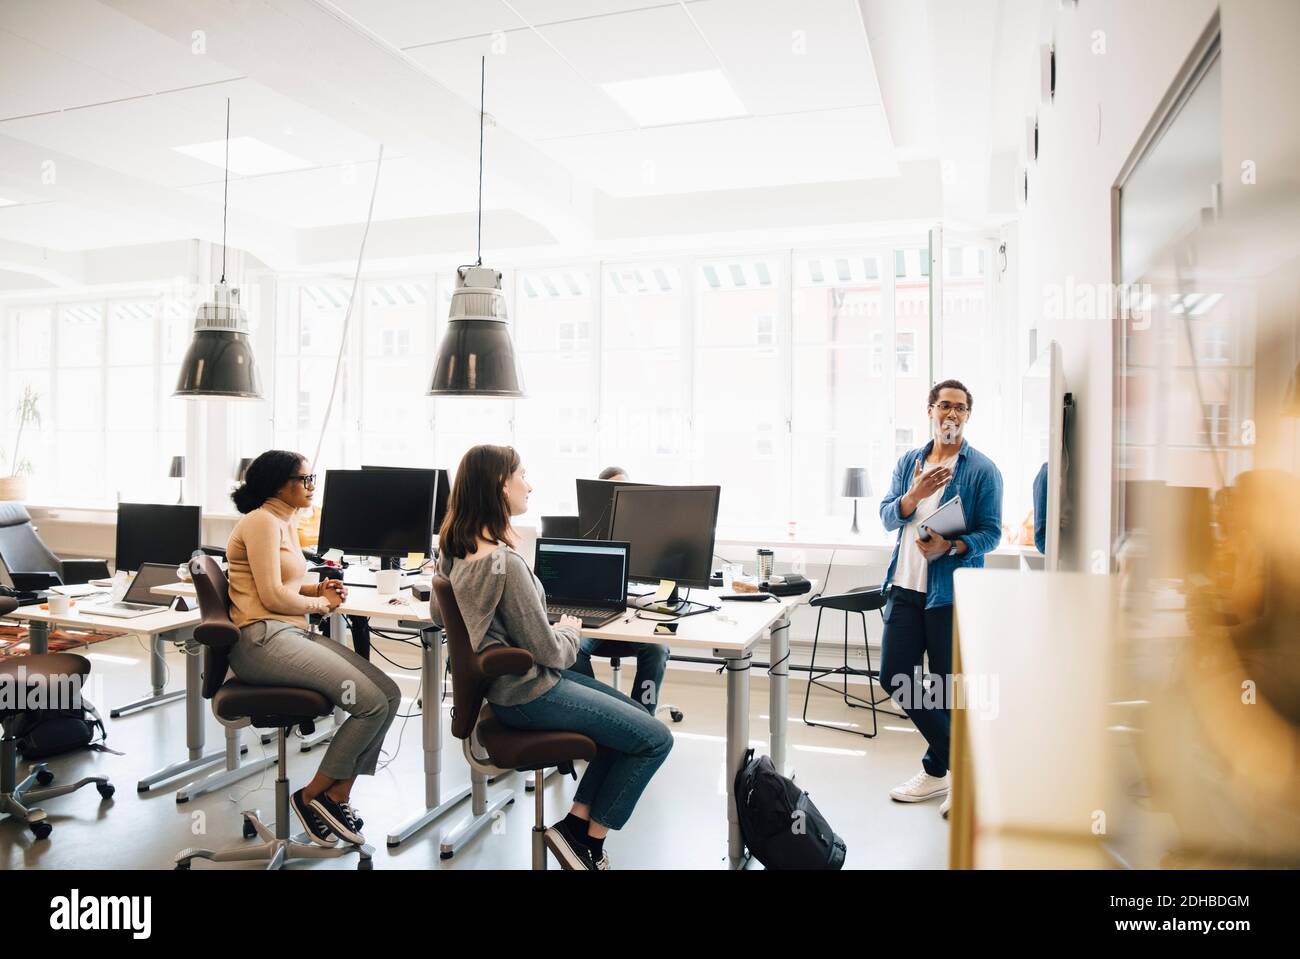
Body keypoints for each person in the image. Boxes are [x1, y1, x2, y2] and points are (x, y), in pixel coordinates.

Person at [437, 445, 672, 870]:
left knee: (634, 721)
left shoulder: (452, 552)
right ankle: (589, 841)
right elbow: (550, 652)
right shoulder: (505, 562)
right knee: (656, 739)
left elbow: (442, 614)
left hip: (506, 693)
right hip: (531, 695)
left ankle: (575, 827)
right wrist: (569, 630)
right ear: (499, 485)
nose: (529, 484)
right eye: (523, 475)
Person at [226, 451, 401, 848]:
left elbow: (282, 584)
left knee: (389, 693)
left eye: (312, 478)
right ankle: (311, 797)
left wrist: (315, 589)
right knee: (370, 703)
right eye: (305, 479)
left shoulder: (283, 521)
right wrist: (321, 605)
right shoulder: (261, 522)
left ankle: (337, 797)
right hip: (261, 640)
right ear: (279, 485)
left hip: (284, 633)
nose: (311, 487)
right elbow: (270, 595)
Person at [877, 380, 1003, 814]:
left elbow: (992, 533)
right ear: (930, 409)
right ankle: (967, 770)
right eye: (945, 405)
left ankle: (936, 773)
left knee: (946, 690)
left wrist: (950, 547)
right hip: (905, 588)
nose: (952, 414)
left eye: (961, 408)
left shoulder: (982, 470)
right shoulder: (908, 462)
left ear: (968, 415)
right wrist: (914, 495)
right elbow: (888, 517)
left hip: (949, 594)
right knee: (896, 676)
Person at [572, 466, 670, 714]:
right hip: (599, 610)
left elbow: (666, 584)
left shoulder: (650, 531)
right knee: (571, 647)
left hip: (637, 612)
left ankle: (642, 715)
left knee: (658, 649)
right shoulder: (586, 529)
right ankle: (596, 713)